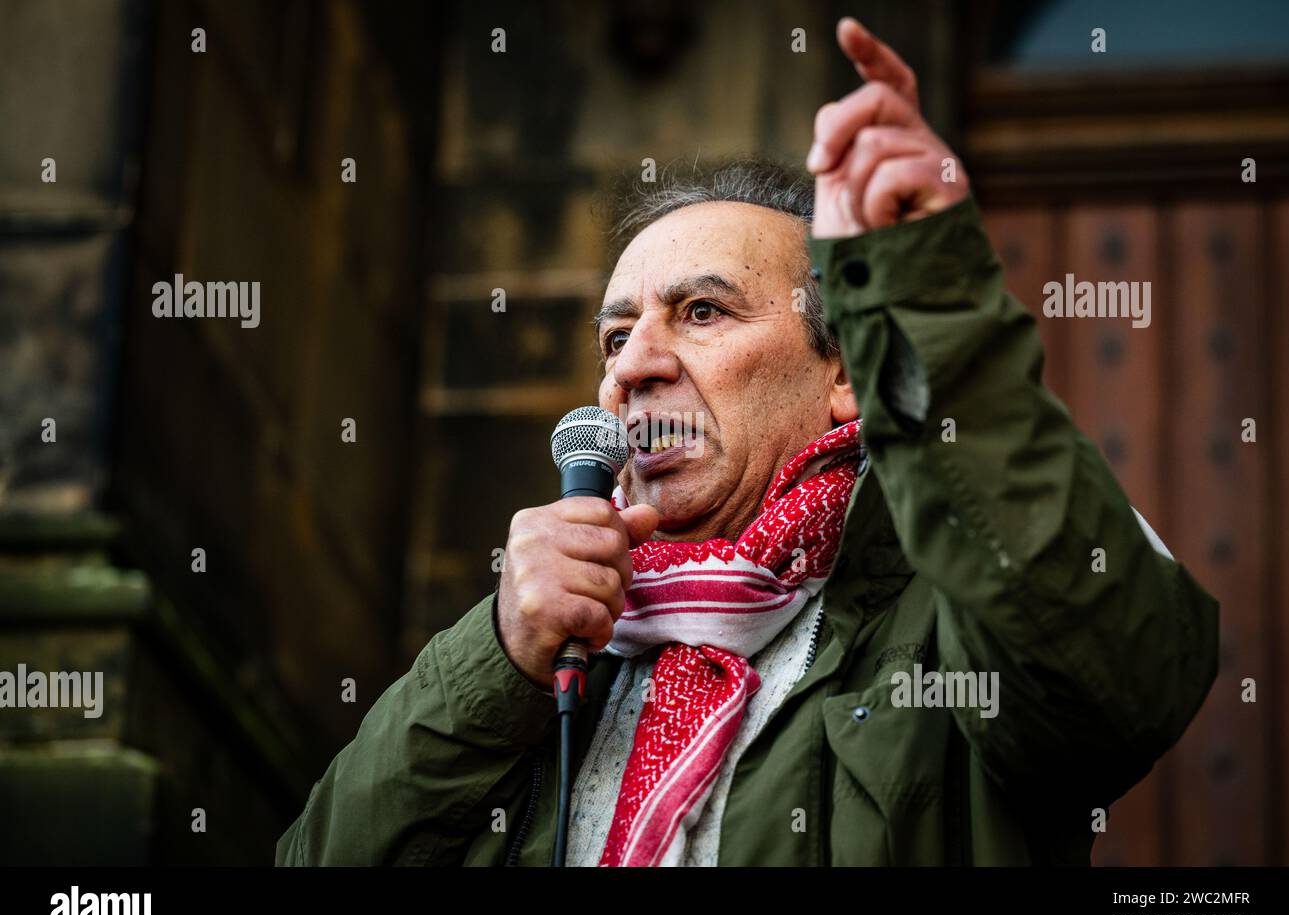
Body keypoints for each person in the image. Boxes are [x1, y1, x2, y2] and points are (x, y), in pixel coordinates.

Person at [276, 18, 1217, 867]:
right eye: (614, 335)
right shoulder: (547, 651)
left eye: (701, 311)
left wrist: (939, 316)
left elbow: (1123, 681)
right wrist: (496, 662)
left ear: (843, 373)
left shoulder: (952, 616)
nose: (631, 367)